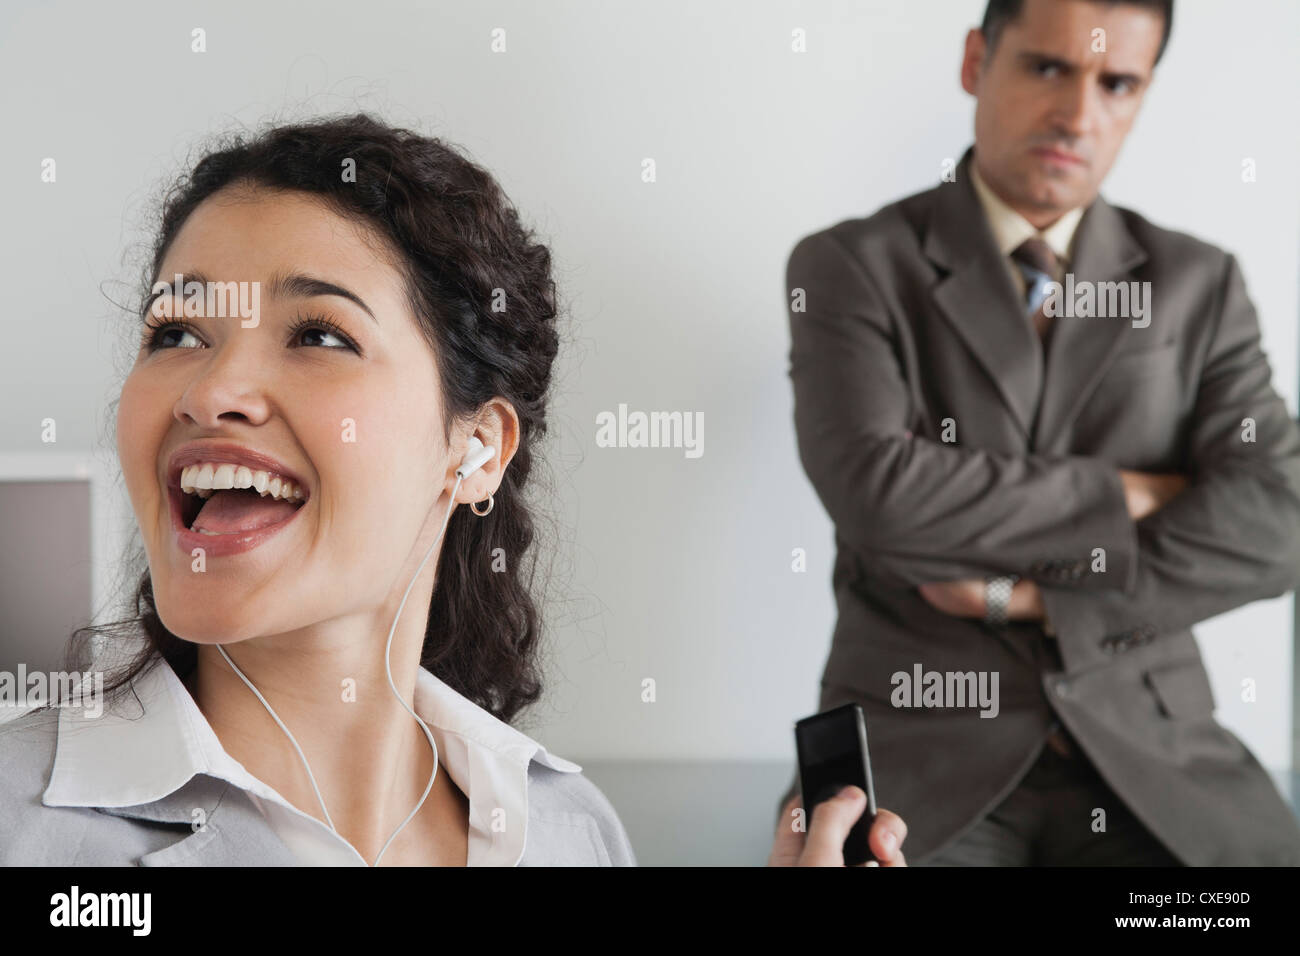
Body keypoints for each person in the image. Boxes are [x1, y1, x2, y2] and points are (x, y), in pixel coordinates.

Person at [0, 113, 907, 867]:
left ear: (475, 449)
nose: (208, 392)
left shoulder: (569, 833)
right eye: (175, 333)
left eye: (316, 335)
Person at [784, 0, 1300, 865]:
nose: (1078, 114)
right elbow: (880, 497)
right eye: (1047, 68)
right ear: (976, 60)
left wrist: (1029, 599)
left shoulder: (1198, 284)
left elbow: (1278, 520)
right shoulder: (849, 267)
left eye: (1117, 82)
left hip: (1153, 753)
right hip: (923, 755)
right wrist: (1126, 494)